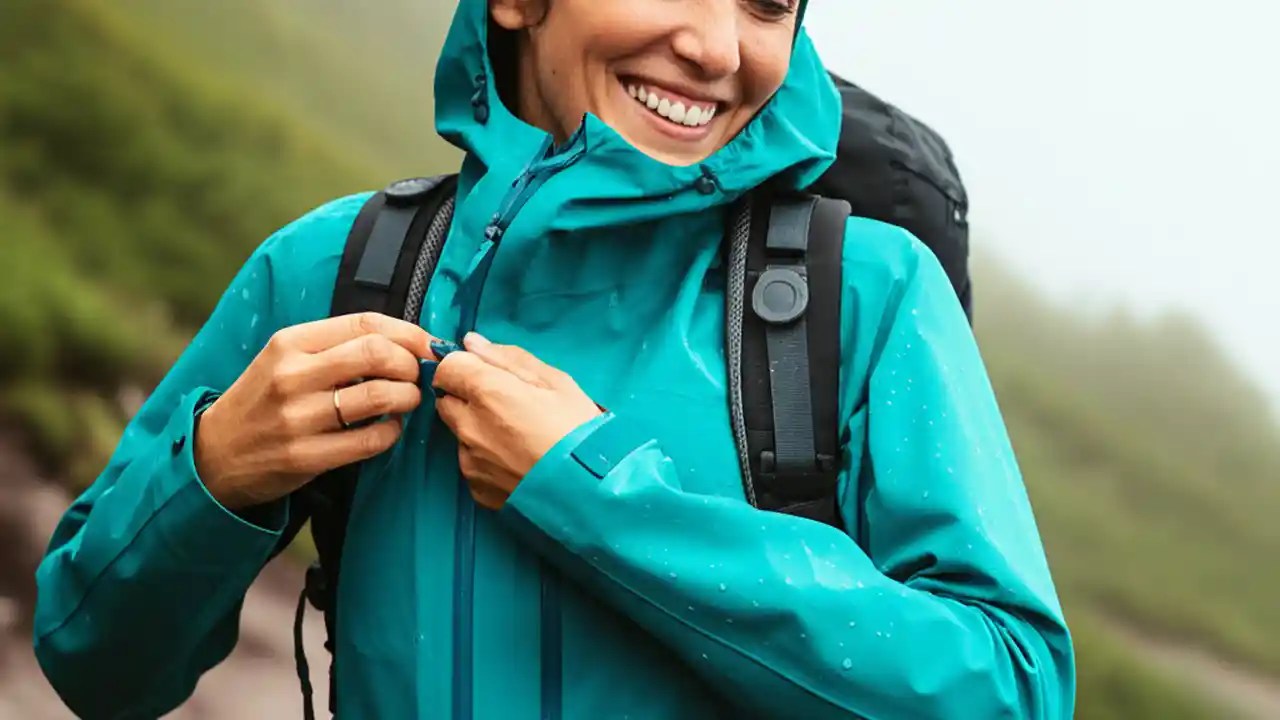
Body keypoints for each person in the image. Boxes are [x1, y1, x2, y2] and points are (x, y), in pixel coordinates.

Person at [32, 0, 1075, 718]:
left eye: (767, 1)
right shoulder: (333, 268)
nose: (718, 48)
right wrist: (212, 476)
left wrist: (599, 497)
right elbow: (97, 671)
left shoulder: (864, 295)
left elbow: (1011, 688)